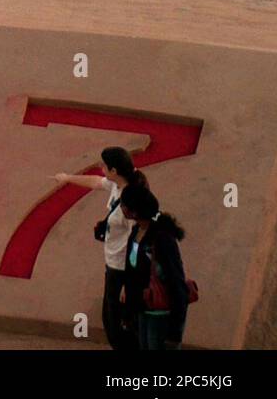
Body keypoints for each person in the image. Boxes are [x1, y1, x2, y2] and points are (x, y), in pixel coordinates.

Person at [54, 148, 147, 350]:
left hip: (124, 269)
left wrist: (130, 281)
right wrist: (68, 177)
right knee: (112, 319)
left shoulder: (131, 201)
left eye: (104, 165)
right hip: (115, 265)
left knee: (117, 324)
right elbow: (96, 182)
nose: (100, 168)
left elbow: (139, 240)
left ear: (114, 170)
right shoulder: (120, 185)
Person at [120, 185, 190, 350]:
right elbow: (133, 271)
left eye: (123, 204)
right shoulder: (137, 231)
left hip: (160, 315)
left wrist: (175, 334)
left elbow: (177, 284)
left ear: (134, 212)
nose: (121, 207)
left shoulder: (162, 239)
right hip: (143, 309)